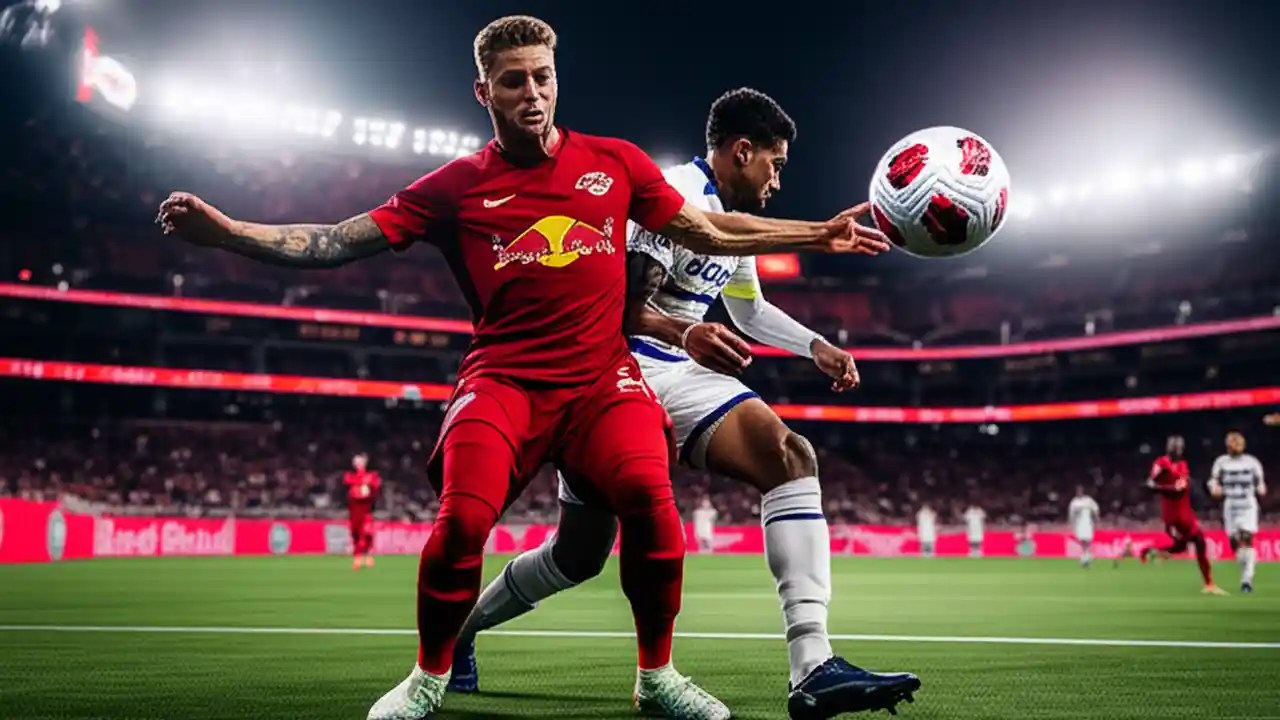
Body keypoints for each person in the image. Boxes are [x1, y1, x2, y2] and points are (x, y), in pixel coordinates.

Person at [156, 16, 891, 720]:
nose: (532, 93)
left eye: (543, 77)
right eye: (514, 82)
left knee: (649, 499)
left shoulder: (616, 163)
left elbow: (708, 231)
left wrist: (819, 234)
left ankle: (660, 677)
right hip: (506, 379)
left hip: (605, 381)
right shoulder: (454, 186)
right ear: (485, 93)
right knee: (467, 521)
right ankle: (429, 673)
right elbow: (335, 239)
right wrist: (228, 233)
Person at [448, 87, 919, 720]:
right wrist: (685, 331)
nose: (778, 180)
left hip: (678, 368)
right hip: (615, 365)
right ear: (740, 151)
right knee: (578, 554)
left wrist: (816, 348)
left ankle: (814, 667)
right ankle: (461, 632)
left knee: (789, 455)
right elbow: (619, 305)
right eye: (774, 164)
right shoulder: (670, 195)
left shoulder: (732, 220)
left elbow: (748, 309)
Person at [1140, 435, 1226, 595]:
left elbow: (1183, 484)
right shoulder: (1161, 464)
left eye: (1180, 446)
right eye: (1174, 446)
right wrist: (1170, 488)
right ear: (1168, 447)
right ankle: (1209, 584)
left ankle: (1151, 551)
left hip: (1185, 512)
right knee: (1196, 542)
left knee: (1186, 546)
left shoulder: (1182, 464)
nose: (1178, 449)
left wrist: (1177, 488)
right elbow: (1150, 484)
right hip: (1173, 515)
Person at [1208, 431, 1266, 593]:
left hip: (1247, 504)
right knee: (1235, 543)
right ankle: (1245, 570)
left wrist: (1261, 487)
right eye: (1231, 444)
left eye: (1236, 443)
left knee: (1247, 539)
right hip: (1231, 505)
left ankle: (1247, 580)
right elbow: (1214, 480)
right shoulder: (1221, 462)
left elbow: (1260, 481)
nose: (1233, 446)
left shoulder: (1252, 462)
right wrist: (1214, 488)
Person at [343, 453, 381, 569]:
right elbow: (348, 482)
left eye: (360, 462)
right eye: (356, 463)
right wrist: (362, 482)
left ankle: (367, 557)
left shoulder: (372, 476)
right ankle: (358, 558)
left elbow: (375, 487)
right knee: (355, 534)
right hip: (354, 512)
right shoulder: (350, 476)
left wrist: (365, 482)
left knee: (366, 534)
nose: (358, 465)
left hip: (366, 511)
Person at [1067, 486, 1100, 569]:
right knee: (1082, 541)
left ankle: (1086, 557)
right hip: (1079, 523)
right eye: (1078, 491)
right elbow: (1071, 514)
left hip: (1087, 522)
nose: (1079, 492)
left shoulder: (1088, 500)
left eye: (1080, 491)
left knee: (1087, 541)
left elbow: (1095, 509)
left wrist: (1096, 519)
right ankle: (1088, 556)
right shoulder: (1074, 502)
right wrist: (1072, 523)